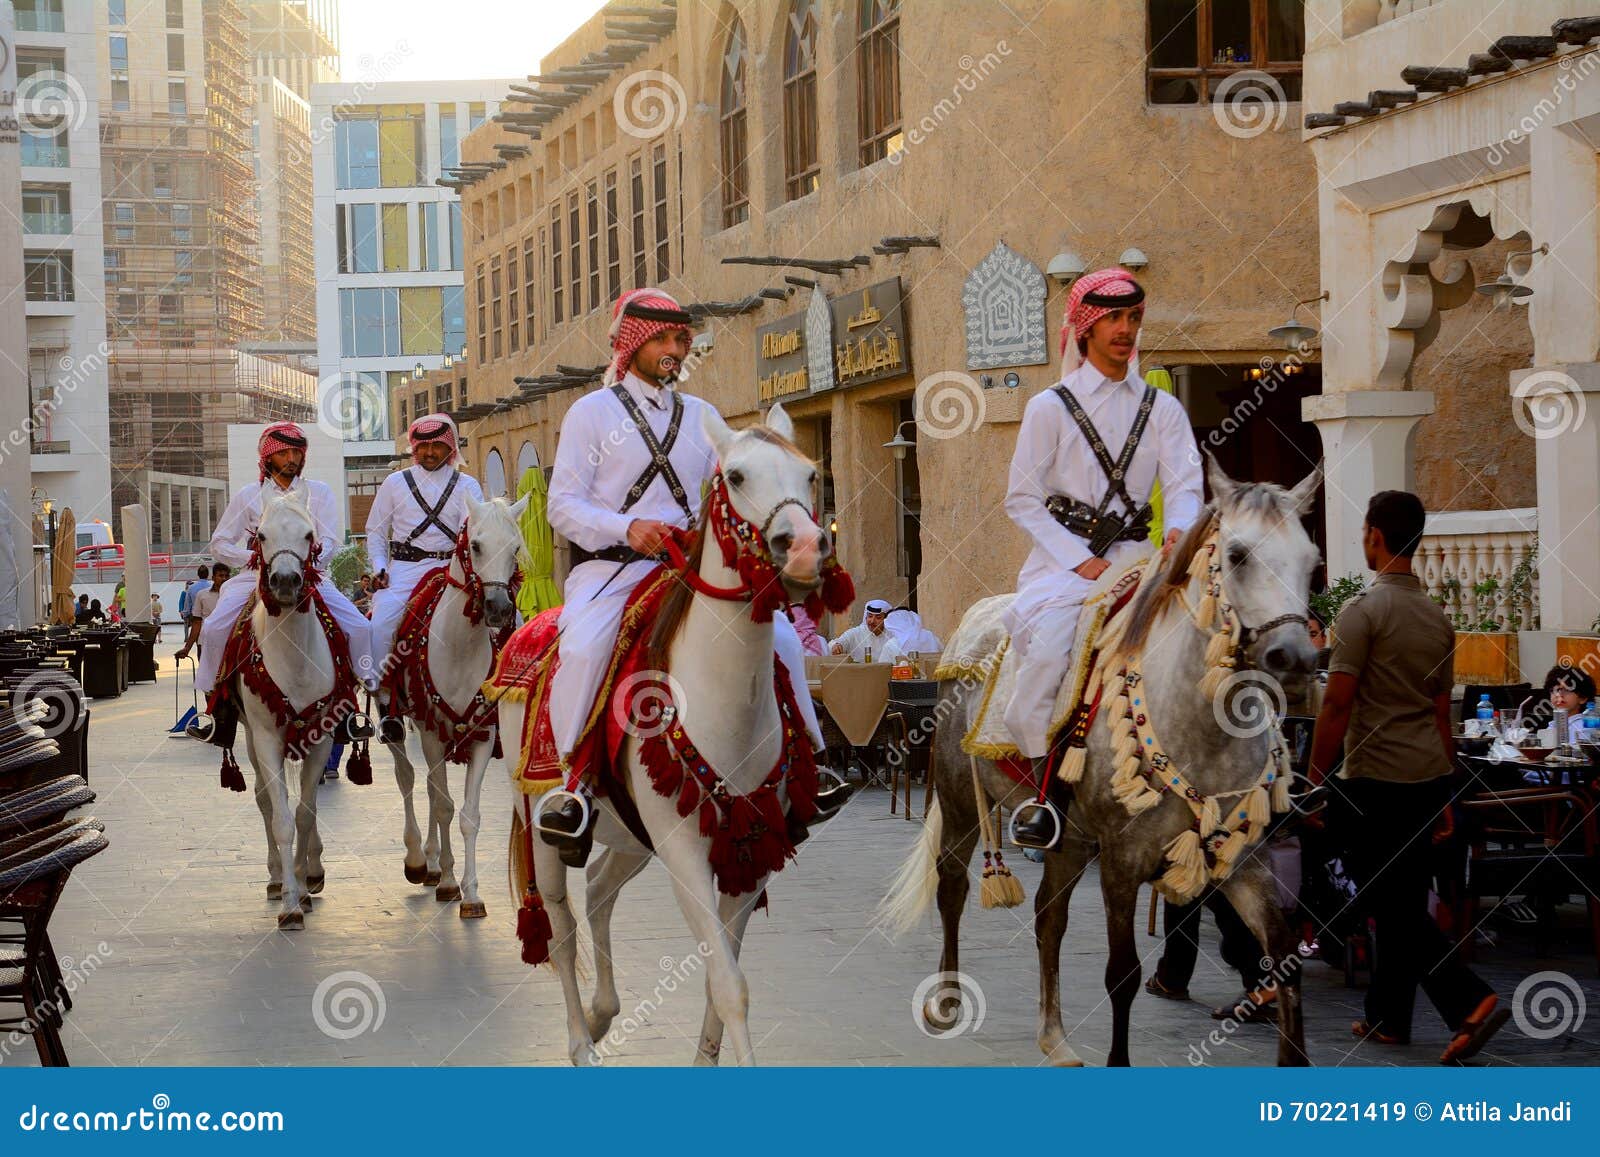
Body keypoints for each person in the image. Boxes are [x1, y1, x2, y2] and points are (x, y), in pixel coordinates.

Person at [538, 287, 837, 859]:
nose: (676, 350)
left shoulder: (702, 416)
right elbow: (563, 505)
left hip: (688, 572)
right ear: (632, 343)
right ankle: (573, 786)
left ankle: (813, 766)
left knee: (781, 637)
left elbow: (735, 488)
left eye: (682, 340)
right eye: (664, 340)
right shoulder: (591, 413)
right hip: (612, 572)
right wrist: (626, 527)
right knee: (583, 646)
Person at [1004, 268, 1203, 849]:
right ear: (1086, 327)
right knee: (1048, 653)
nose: (1125, 329)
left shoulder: (1163, 409)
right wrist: (1078, 560)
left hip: (1142, 562)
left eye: (1133, 318)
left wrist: (1180, 533)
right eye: (1113, 318)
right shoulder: (1049, 407)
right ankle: (1043, 792)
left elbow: (1185, 486)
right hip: (1065, 568)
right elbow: (1022, 499)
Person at [1309, 490, 1509, 1064]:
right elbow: (1441, 713)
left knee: (1385, 898)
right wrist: (1446, 790)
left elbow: (1337, 705)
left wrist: (1313, 782)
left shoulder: (1362, 612)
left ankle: (1468, 998)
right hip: (1425, 776)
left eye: (1365, 531)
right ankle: (1388, 1016)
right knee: (1402, 895)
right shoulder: (1437, 618)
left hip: (1375, 777)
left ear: (1375, 536)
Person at [189, 423, 374, 742]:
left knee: (359, 627)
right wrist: (251, 557)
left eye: (296, 453)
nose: (291, 459)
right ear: (268, 457)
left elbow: (330, 540)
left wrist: (311, 563)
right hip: (254, 576)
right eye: (284, 453)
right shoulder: (248, 495)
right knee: (214, 628)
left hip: (309, 574)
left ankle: (352, 709)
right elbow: (219, 543)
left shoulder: (320, 492)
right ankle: (215, 711)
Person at [365, 413, 485, 741]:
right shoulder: (395, 483)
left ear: (451, 448)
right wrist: (380, 567)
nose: (430, 452)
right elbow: (376, 531)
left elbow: (474, 532)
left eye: (437, 446)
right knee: (381, 624)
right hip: (405, 569)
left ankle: (497, 692)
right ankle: (386, 703)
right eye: (423, 446)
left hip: (452, 569)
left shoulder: (467, 485)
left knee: (502, 619)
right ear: (414, 448)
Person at [175, 564, 230, 661]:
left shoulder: (233, 595)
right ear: (213, 577)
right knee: (205, 669)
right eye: (221, 576)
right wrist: (187, 648)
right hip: (206, 641)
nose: (224, 579)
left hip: (227, 641)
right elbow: (197, 622)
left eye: (226, 576)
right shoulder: (202, 594)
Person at [829, 599, 906, 662]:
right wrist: (837, 645)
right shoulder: (856, 633)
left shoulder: (893, 634)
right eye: (870, 616)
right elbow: (839, 642)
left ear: (886, 619)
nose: (872, 621)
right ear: (866, 617)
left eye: (878, 617)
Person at [181, 564, 210, 634]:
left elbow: (188, 604)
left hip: (196, 618)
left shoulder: (191, 588)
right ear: (208, 574)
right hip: (210, 617)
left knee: (197, 637)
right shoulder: (212, 586)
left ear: (198, 574)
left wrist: (185, 615)